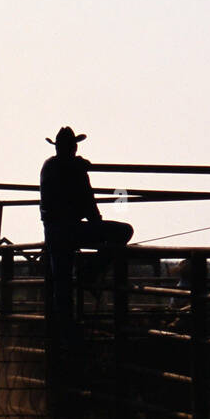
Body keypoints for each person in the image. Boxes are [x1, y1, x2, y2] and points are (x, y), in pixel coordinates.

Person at [39, 127, 133, 332]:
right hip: (70, 230)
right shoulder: (74, 169)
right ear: (73, 147)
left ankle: (63, 334)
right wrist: (96, 225)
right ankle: (89, 273)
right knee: (124, 231)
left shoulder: (50, 166)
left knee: (61, 284)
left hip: (54, 232)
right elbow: (88, 204)